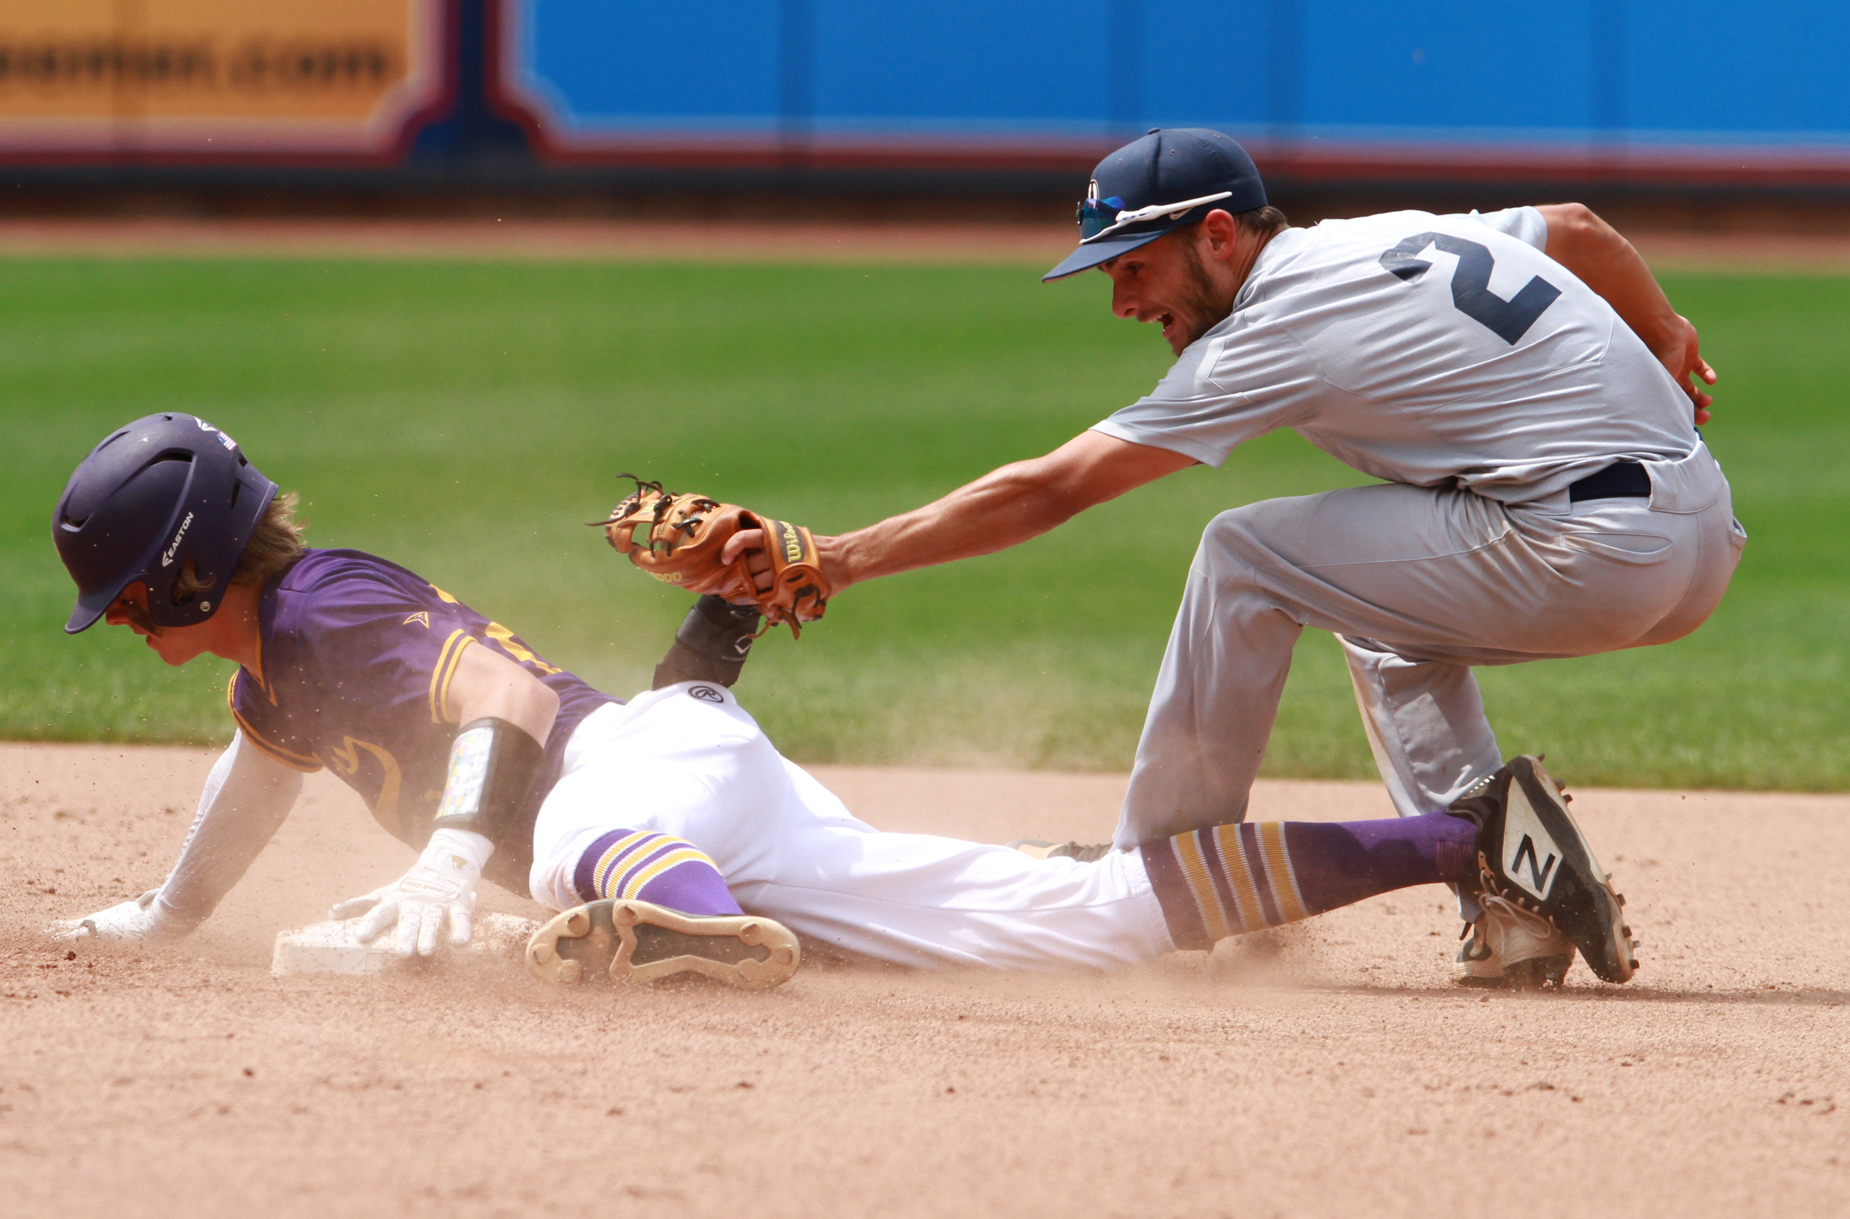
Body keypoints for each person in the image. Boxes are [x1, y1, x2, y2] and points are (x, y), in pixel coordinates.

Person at [49, 413, 1635, 990]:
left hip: (629, 782)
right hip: (695, 760)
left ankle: (676, 926)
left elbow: (507, 700)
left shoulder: (323, 603)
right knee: (1084, 917)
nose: (120, 622)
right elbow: (261, 765)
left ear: (182, 570)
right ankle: (1467, 836)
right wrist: (169, 912)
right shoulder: (278, 660)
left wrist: (456, 859)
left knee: (579, 836)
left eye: (123, 593)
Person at [711, 127, 1730, 985]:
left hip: (1587, 549)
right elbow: (1575, 228)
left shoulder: (1273, 325)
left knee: (1243, 553)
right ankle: (1513, 895)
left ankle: (1155, 881)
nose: (1120, 300)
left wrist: (841, 556)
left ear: (1215, 233)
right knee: (1378, 614)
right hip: (1693, 532)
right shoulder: (1378, 236)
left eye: (1133, 265)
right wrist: (1668, 329)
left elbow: (1053, 488)